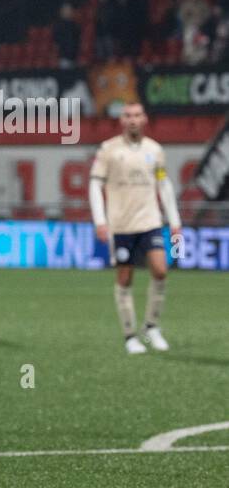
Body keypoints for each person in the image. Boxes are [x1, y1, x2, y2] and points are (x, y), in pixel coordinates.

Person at [89, 101, 181, 354]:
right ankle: (130, 335)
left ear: (144, 119)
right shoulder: (108, 150)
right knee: (124, 278)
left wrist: (174, 221)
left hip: (150, 222)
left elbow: (164, 185)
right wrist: (100, 220)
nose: (132, 119)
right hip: (121, 225)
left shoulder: (155, 150)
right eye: (128, 115)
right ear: (121, 120)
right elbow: (95, 185)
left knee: (161, 271)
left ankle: (151, 326)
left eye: (137, 115)